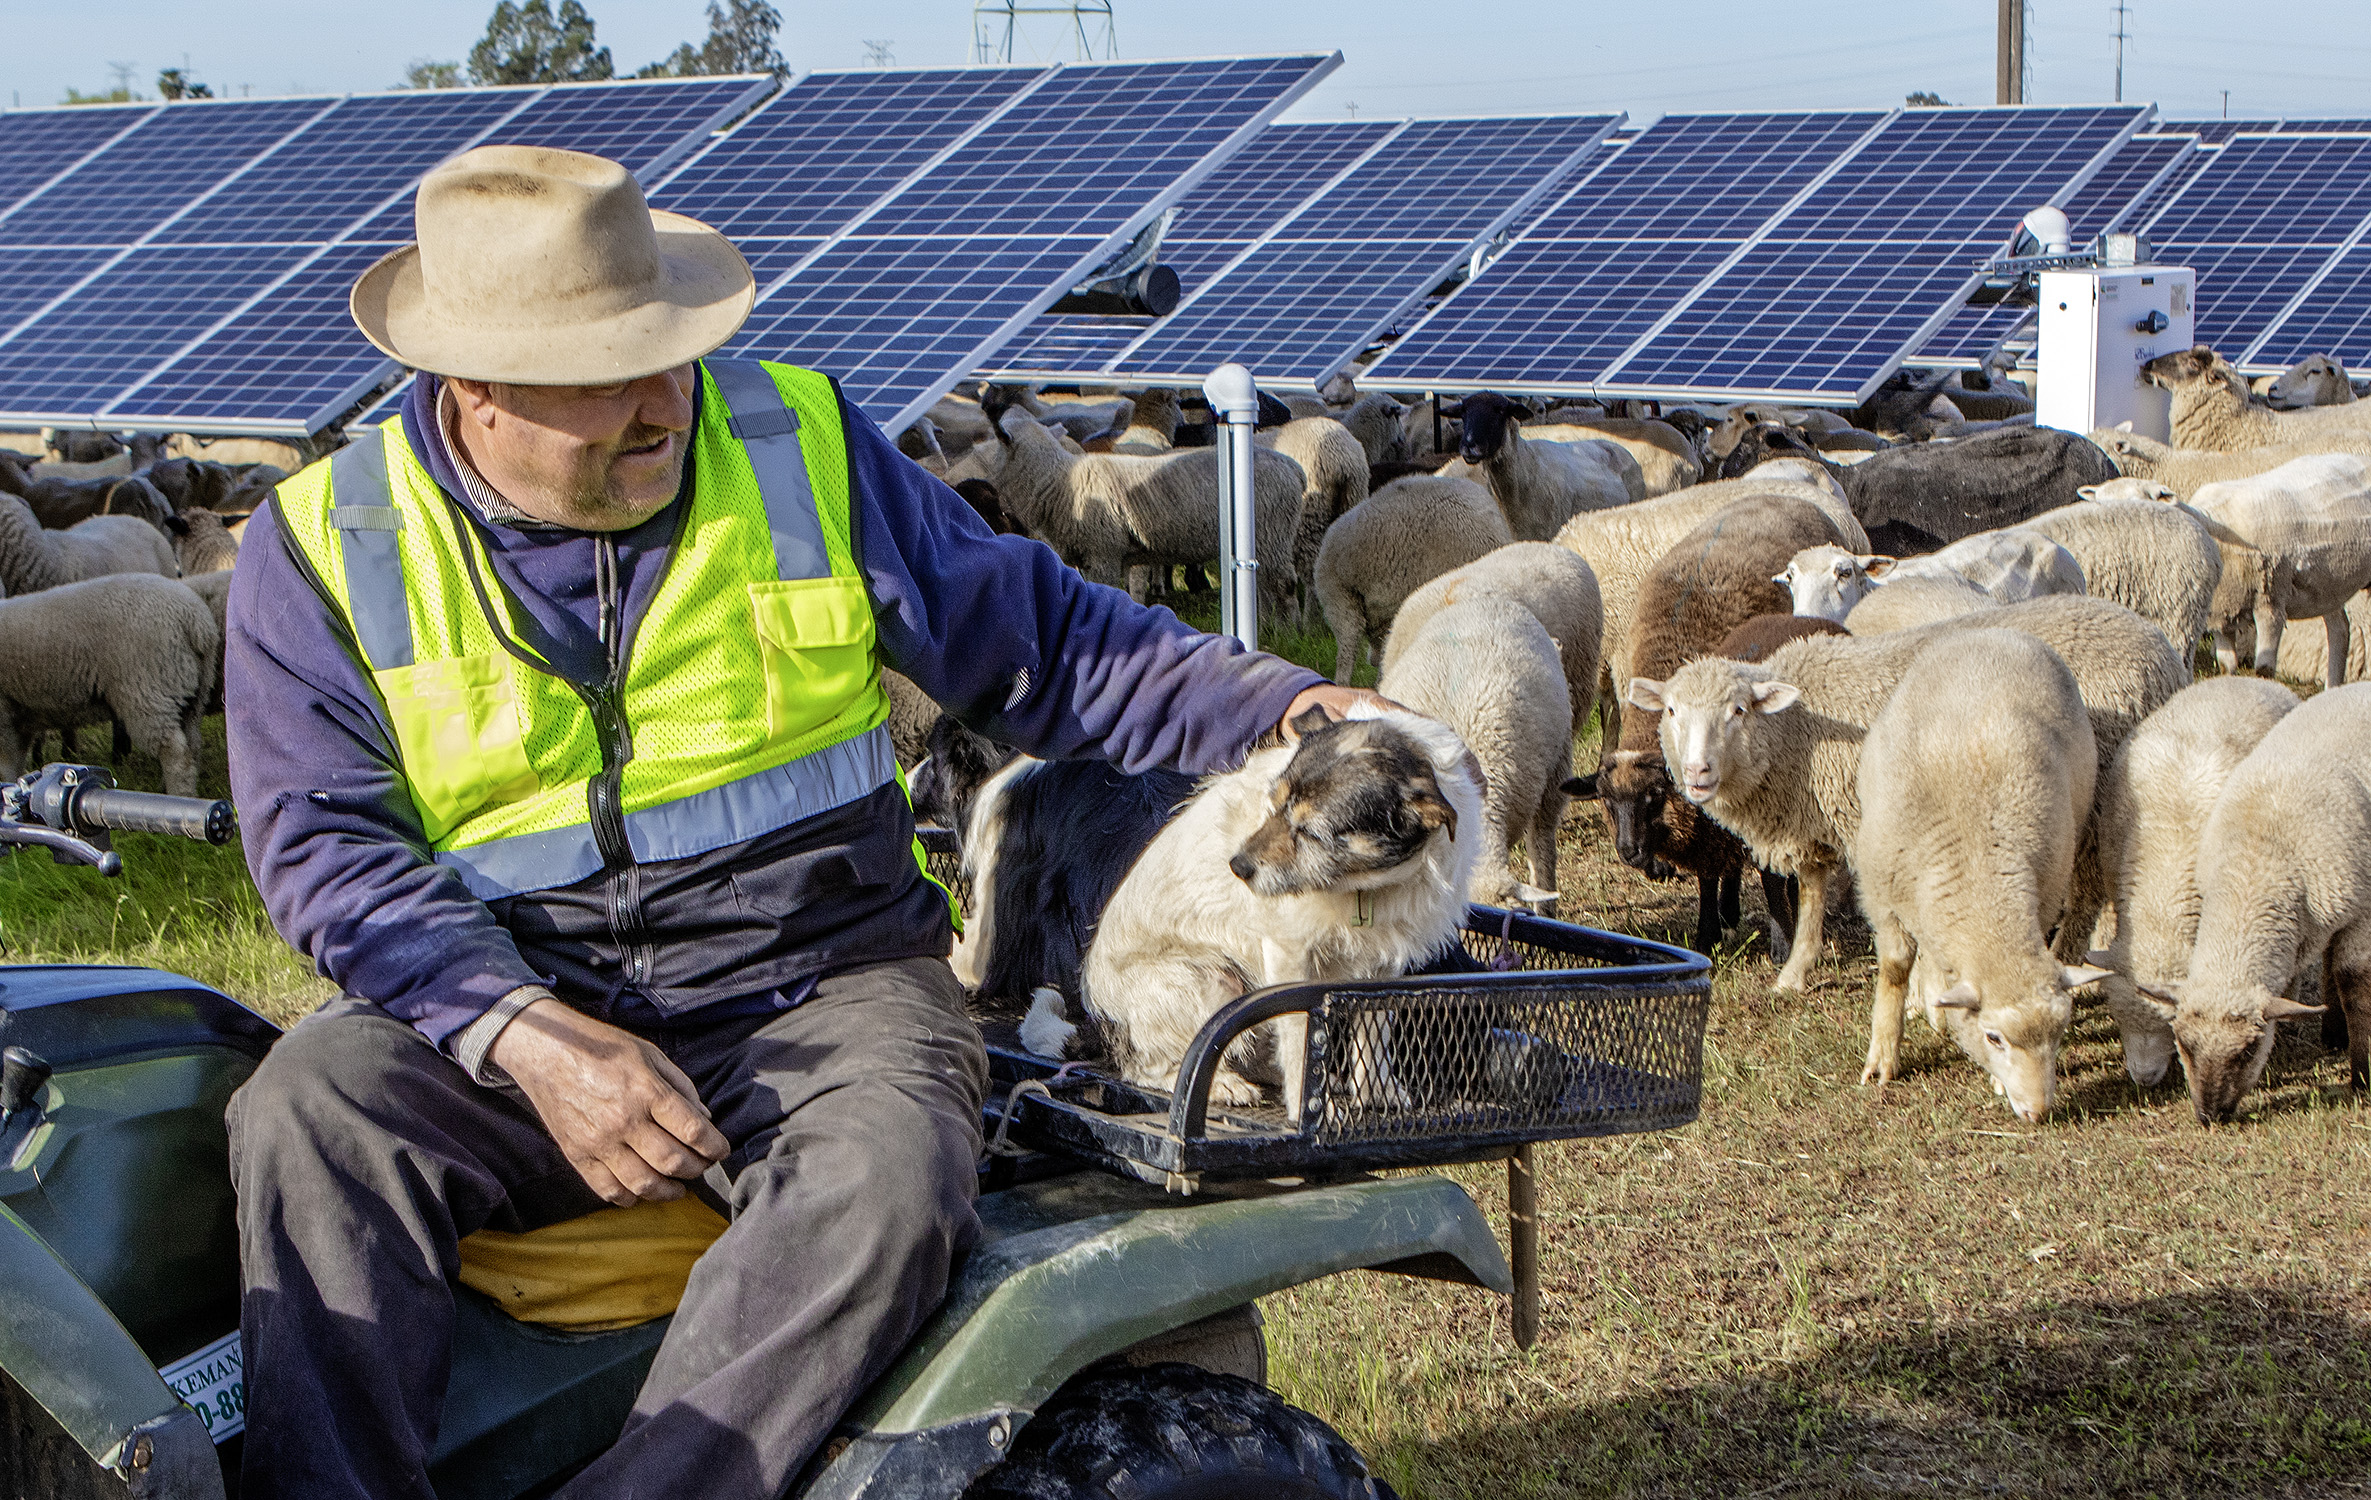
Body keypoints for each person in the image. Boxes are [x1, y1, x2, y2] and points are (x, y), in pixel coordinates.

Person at [222, 144, 1369, 1498]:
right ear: (471, 389)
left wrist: (1287, 709)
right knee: (308, 1110)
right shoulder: (324, 543)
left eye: (675, 354)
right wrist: (526, 1036)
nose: (665, 402)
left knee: (886, 1182)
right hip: (520, 998)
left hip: (824, 985)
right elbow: (325, 847)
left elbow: (1049, 645)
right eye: (610, 383)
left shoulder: (795, 443)